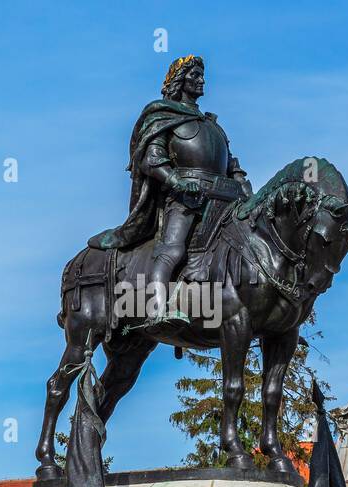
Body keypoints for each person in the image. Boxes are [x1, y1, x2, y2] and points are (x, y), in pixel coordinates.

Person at [89, 55, 252, 322]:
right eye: (194, 75)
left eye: (202, 75)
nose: (201, 80)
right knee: (173, 248)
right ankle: (157, 309)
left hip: (224, 199)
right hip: (186, 198)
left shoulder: (213, 126)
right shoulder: (163, 115)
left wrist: (245, 186)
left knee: (247, 243)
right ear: (179, 80)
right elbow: (151, 160)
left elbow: (231, 164)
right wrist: (177, 181)